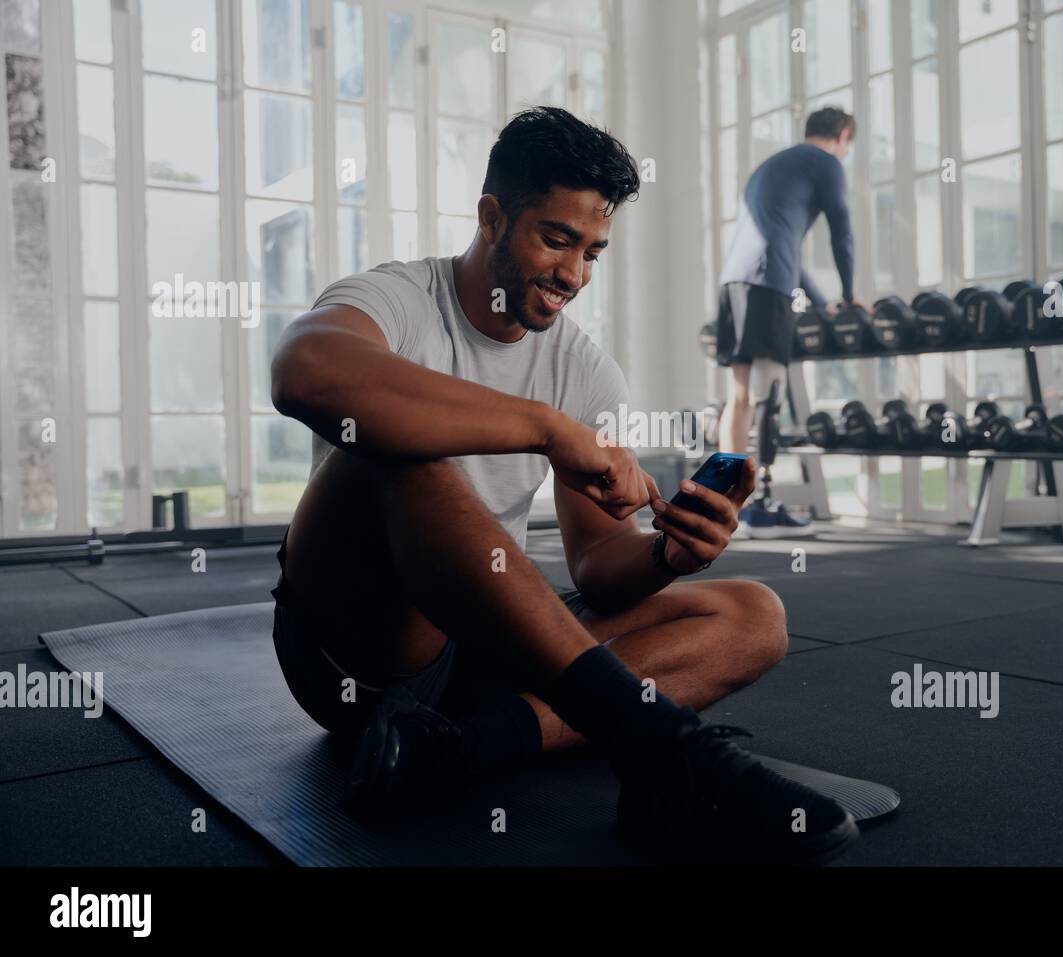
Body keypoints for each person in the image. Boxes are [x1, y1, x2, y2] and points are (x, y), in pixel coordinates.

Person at [269, 107, 858, 865]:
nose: (574, 276)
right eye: (556, 239)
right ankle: (659, 750)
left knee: (753, 614)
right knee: (391, 448)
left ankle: (462, 749)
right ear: (491, 217)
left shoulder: (585, 367)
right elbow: (304, 373)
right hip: (355, 650)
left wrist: (668, 557)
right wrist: (546, 427)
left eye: (593, 252)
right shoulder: (398, 299)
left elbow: (600, 562)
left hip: (482, 647)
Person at [714, 106, 867, 537]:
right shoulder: (827, 164)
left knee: (740, 397)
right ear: (842, 137)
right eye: (848, 146)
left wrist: (821, 304)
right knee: (770, 393)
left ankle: (733, 508)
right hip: (767, 286)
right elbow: (843, 231)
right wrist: (850, 295)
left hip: (734, 283)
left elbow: (787, 248)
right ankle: (760, 504)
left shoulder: (772, 167)